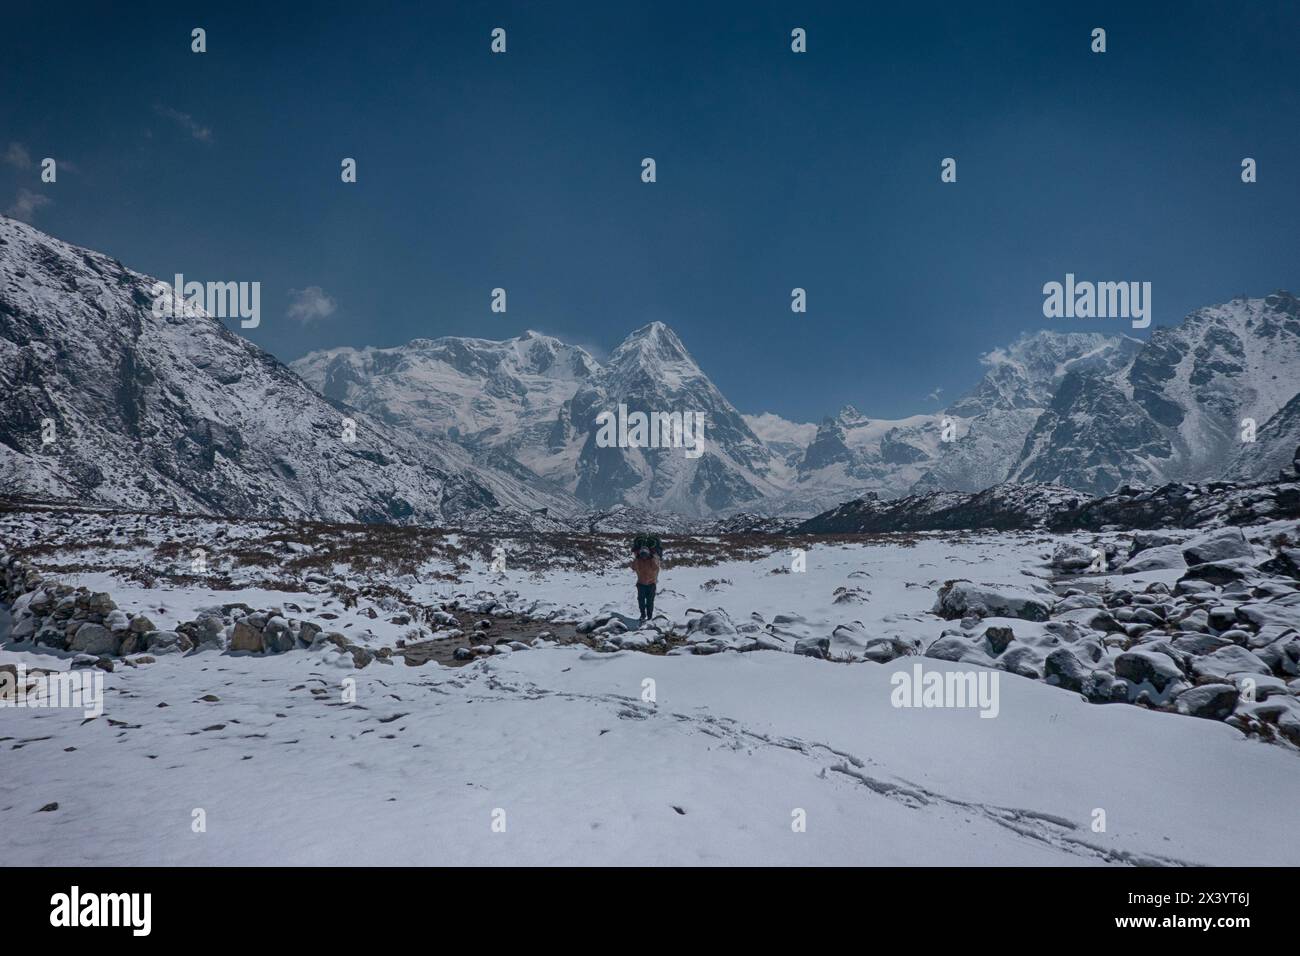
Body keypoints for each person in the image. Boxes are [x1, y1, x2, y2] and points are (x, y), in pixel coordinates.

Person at [631, 545, 660, 622]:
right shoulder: (638, 560)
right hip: (641, 584)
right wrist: (637, 558)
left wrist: (652, 558)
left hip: (651, 583)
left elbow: (655, 567)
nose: (644, 556)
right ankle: (643, 615)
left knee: (650, 601)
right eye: (642, 554)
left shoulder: (652, 560)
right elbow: (633, 567)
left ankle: (650, 616)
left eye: (645, 554)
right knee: (641, 601)